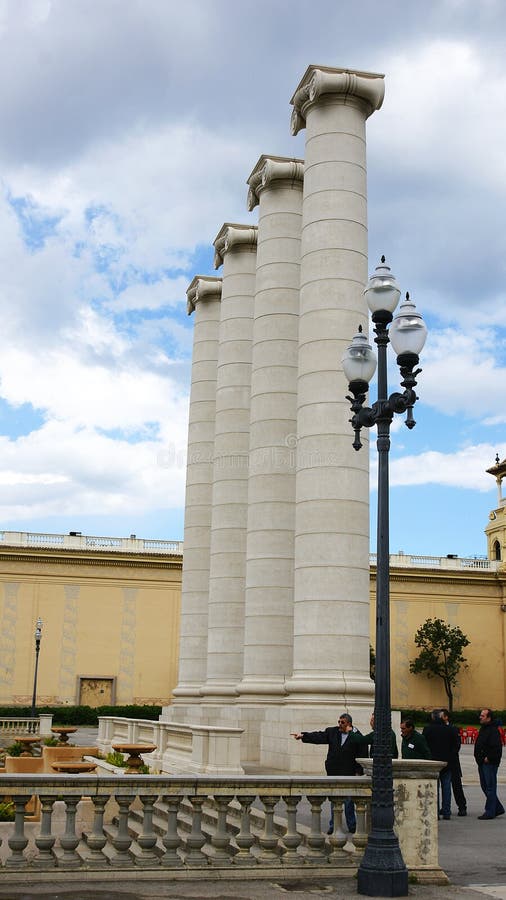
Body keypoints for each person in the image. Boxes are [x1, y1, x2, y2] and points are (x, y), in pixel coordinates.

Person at [292, 712, 363, 834]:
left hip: (348, 773)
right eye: (339, 722)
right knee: (334, 800)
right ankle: (333, 825)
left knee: (349, 801)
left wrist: (358, 772)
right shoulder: (332, 732)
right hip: (334, 771)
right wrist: (303, 736)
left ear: (349, 724)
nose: (340, 724)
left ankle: (352, 825)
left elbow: (361, 753)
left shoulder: (356, 735)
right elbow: (319, 736)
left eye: (342, 722)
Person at [423, 709, 457, 820]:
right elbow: (455, 746)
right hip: (447, 762)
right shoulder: (450, 729)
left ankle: (435, 812)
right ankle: (446, 812)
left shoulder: (428, 729)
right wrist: (450, 759)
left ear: (433, 717)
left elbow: (425, 746)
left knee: (434, 787)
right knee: (446, 787)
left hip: (433, 762)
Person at [474, 708, 505, 820]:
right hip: (482, 762)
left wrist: (489, 758)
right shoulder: (484, 728)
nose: (480, 717)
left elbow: (497, 747)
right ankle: (498, 807)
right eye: (481, 715)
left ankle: (490, 811)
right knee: (485, 786)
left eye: (483, 716)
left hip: (489, 763)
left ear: (489, 718)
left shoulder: (493, 730)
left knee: (490, 787)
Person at [439, 708, 467, 816]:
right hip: (443, 760)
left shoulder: (453, 728)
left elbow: (457, 745)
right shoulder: (440, 728)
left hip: (453, 761)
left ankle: (462, 807)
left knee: (456, 786)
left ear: (446, 717)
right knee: (444, 786)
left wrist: (451, 756)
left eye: (441, 716)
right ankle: (445, 807)